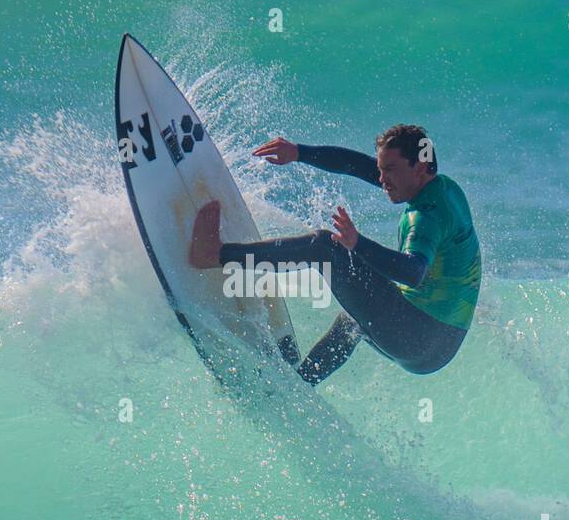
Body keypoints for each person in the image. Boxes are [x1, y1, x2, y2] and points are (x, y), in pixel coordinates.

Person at [189, 124, 481, 385]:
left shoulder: (426, 216)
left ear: (419, 167)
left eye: (389, 170)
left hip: (417, 335)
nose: (382, 179)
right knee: (352, 319)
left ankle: (213, 254)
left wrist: (357, 243)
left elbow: (413, 272)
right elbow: (355, 165)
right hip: (439, 346)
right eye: (381, 170)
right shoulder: (442, 188)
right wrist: (298, 152)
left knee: (324, 247)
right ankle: (300, 385)